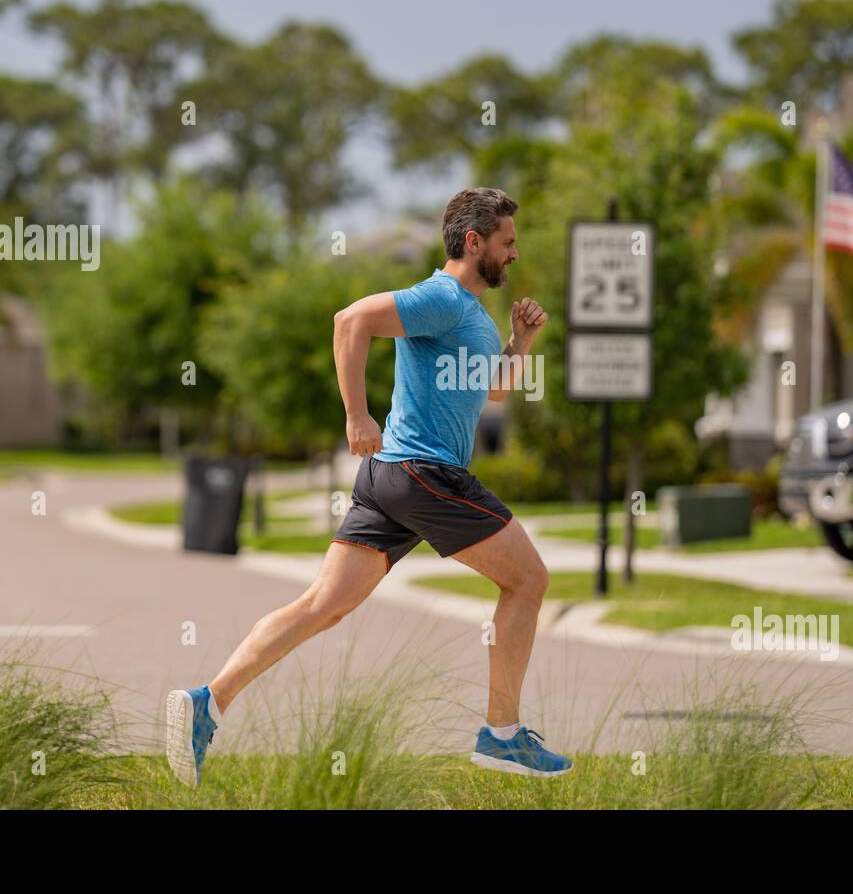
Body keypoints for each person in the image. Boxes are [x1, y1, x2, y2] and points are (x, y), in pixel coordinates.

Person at [165, 187, 571, 785]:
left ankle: (208, 702)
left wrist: (520, 342)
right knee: (530, 579)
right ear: (474, 241)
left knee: (321, 606)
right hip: (424, 473)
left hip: (390, 481)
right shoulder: (441, 296)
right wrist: (356, 414)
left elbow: (496, 393)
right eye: (508, 242)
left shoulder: (473, 316)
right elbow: (349, 320)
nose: (516, 253)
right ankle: (502, 735)